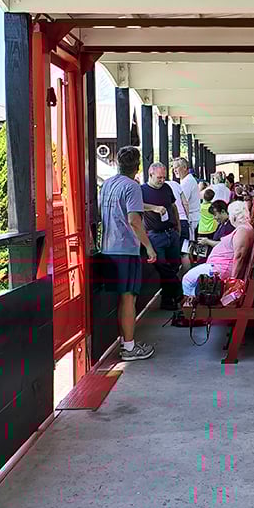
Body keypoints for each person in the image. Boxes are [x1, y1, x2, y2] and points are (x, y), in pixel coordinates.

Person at [98, 146, 157, 361]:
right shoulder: (132, 187)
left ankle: (126, 342)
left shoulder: (107, 185)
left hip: (107, 248)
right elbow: (133, 219)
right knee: (129, 298)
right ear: (138, 166)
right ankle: (129, 348)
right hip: (126, 250)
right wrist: (148, 246)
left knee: (120, 299)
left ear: (118, 164)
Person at [181, 201, 254, 297]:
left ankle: (193, 304)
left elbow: (239, 255)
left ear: (234, 216)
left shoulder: (242, 230)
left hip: (220, 267)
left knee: (187, 280)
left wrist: (232, 280)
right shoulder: (243, 228)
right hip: (218, 264)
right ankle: (194, 299)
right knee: (188, 255)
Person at [141, 162, 182, 311]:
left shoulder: (167, 188)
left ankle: (167, 300)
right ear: (150, 174)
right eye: (159, 177)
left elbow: (173, 206)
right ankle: (178, 289)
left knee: (174, 265)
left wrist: (177, 225)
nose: (162, 180)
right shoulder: (141, 190)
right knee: (162, 265)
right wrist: (154, 208)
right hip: (154, 235)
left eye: (164, 177)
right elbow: (136, 205)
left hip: (171, 232)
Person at [173, 157, 201, 251]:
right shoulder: (188, 180)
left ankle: (192, 265)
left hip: (190, 219)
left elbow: (182, 203)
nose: (174, 170)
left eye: (176, 167)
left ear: (184, 167)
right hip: (193, 218)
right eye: (173, 168)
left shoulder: (187, 182)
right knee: (189, 249)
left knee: (187, 250)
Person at [166, 171, 191, 272]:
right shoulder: (176, 184)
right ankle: (187, 279)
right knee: (184, 252)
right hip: (183, 221)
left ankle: (175, 279)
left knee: (173, 254)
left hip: (172, 223)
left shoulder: (160, 188)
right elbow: (185, 203)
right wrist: (187, 217)